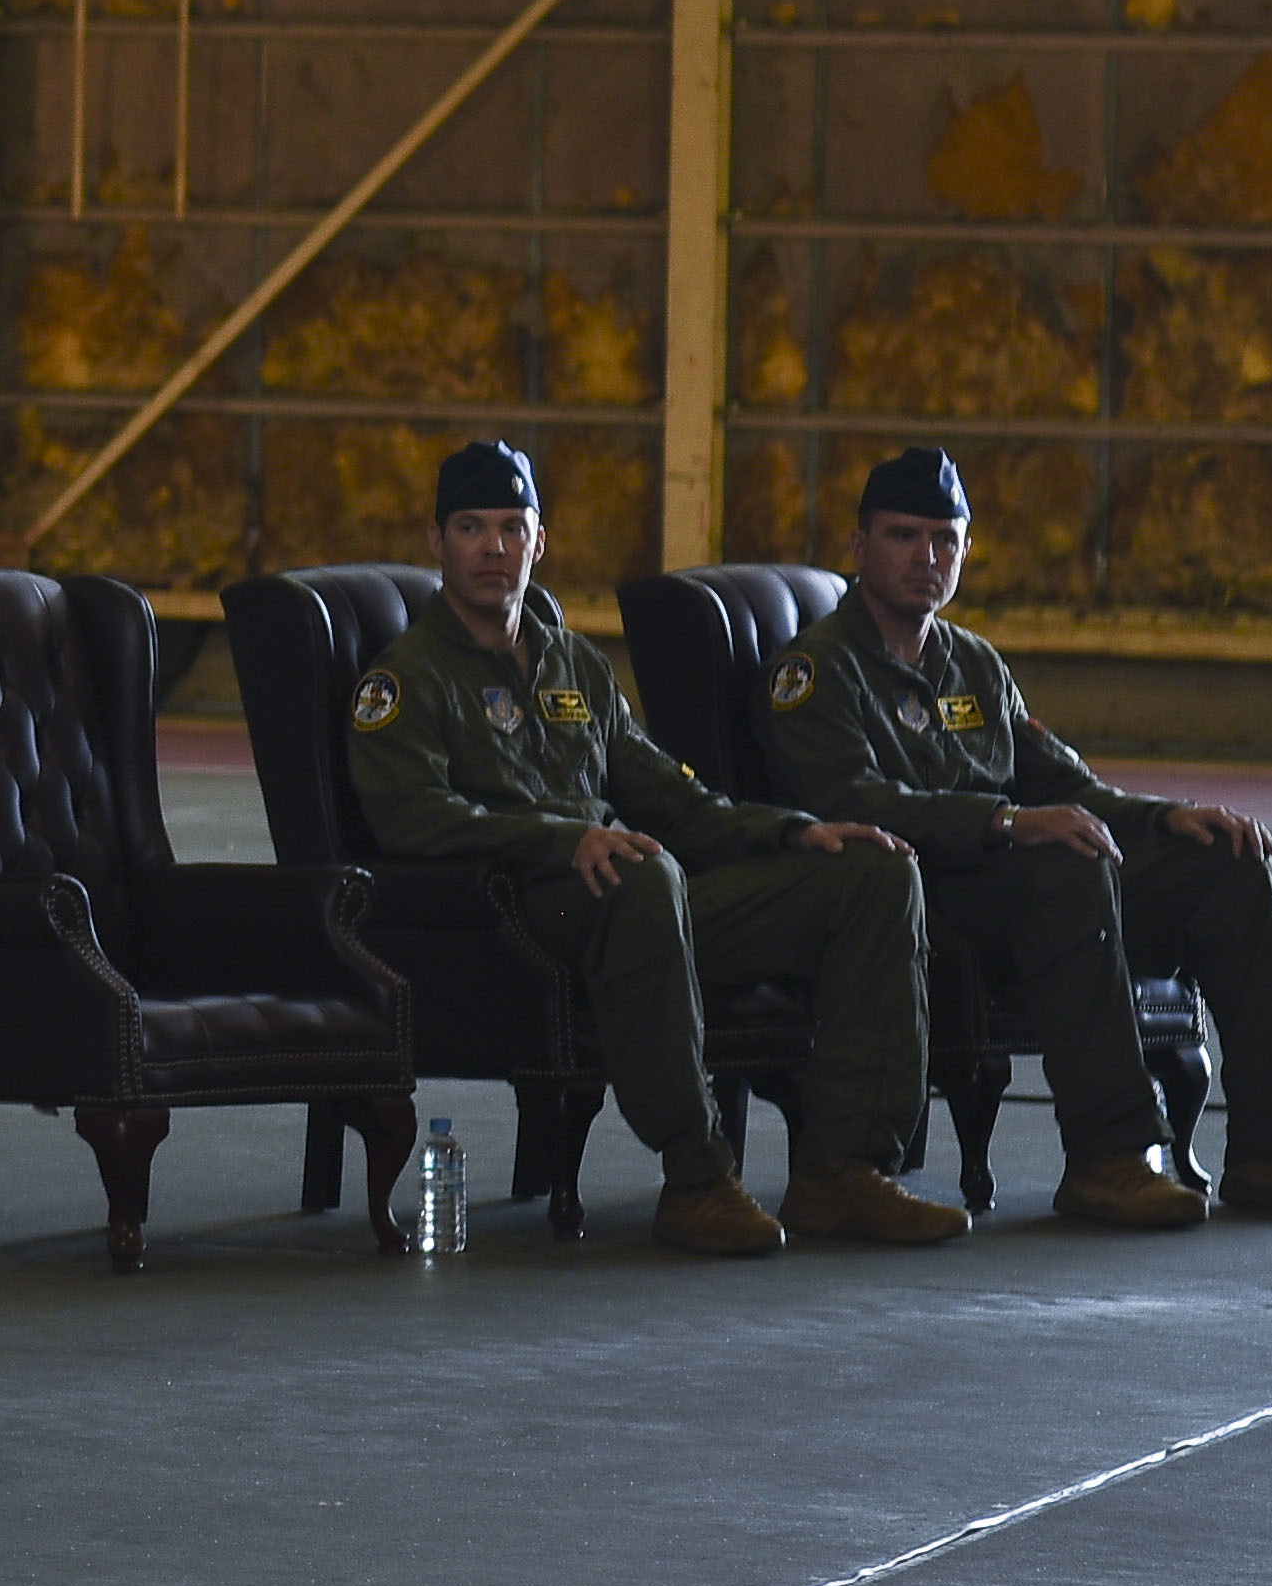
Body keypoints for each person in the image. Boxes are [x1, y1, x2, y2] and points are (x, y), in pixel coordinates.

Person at [346, 440, 966, 1256]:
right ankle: (697, 1177)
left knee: (872, 875)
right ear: (437, 544)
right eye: (470, 527)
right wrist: (561, 838)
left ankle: (841, 1170)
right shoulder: (407, 679)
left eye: (510, 527)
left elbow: (672, 797)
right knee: (642, 875)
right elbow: (412, 817)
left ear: (540, 542)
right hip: (524, 905)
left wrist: (789, 830)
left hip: (637, 893)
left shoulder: (575, 664)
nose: (492, 547)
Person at [758, 448, 1272, 1225]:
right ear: (858, 548)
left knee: (1222, 861)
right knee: (1063, 861)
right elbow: (849, 799)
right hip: (917, 893)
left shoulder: (974, 665)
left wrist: (1166, 815)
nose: (925, 557)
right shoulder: (816, 670)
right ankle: (1109, 1155)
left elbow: (1063, 784)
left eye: (944, 539)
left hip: (1020, 880)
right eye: (901, 536)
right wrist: (1003, 822)